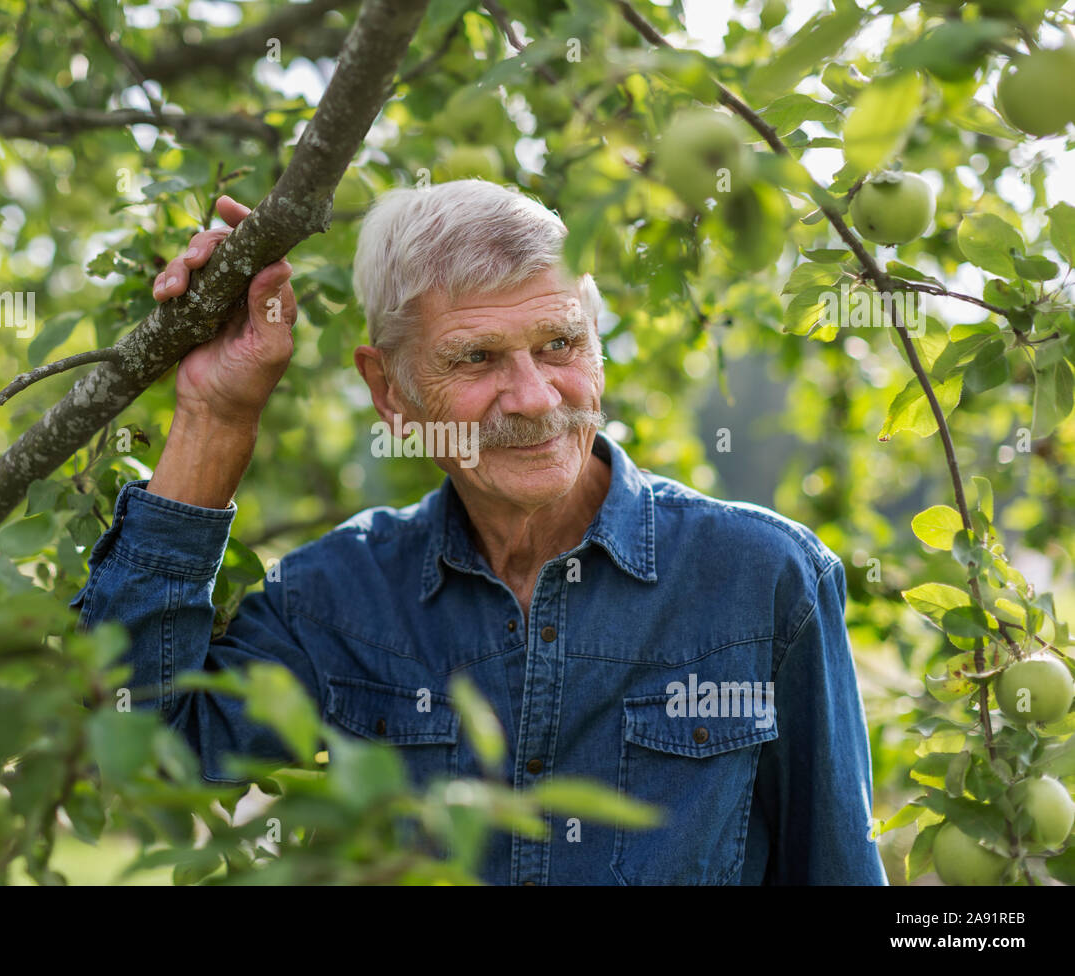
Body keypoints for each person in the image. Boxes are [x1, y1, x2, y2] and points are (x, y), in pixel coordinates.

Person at [71, 178, 888, 885]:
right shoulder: (335, 598)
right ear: (388, 391)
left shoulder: (763, 579)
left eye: (560, 344)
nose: (534, 397)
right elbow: (139, 758)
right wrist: (219, 412)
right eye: (476, 359)